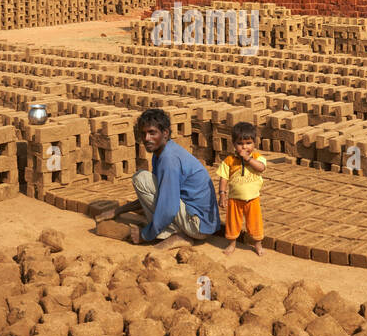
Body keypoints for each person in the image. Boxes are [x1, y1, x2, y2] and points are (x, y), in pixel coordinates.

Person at [94, 108, 220, 249]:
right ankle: (169, 229)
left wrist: (145, 235)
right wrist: (118, 210)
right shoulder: (161, 152)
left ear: (165, 133)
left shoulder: (168, 159)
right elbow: (160, 192)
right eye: (143, 133)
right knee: (146, 182)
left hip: (197, 225)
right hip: (203, 222)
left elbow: (168, 207)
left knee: (141, 178)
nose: (147, 138)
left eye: (152, 133)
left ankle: (176, 234)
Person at [218, 122, 266, 255]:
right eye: (240, 143)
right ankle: (232, 244)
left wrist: (249, 159)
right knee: (233, 223)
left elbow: (261, 167)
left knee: (255, 223)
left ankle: (257, 244)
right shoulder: (229, 160)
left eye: (248, 143)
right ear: (234, 144)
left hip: (253, 199)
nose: (244, 146)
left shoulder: (257, 158)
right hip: (234, 199)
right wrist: (222, 194)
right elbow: (223, 178)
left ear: (254, 144)